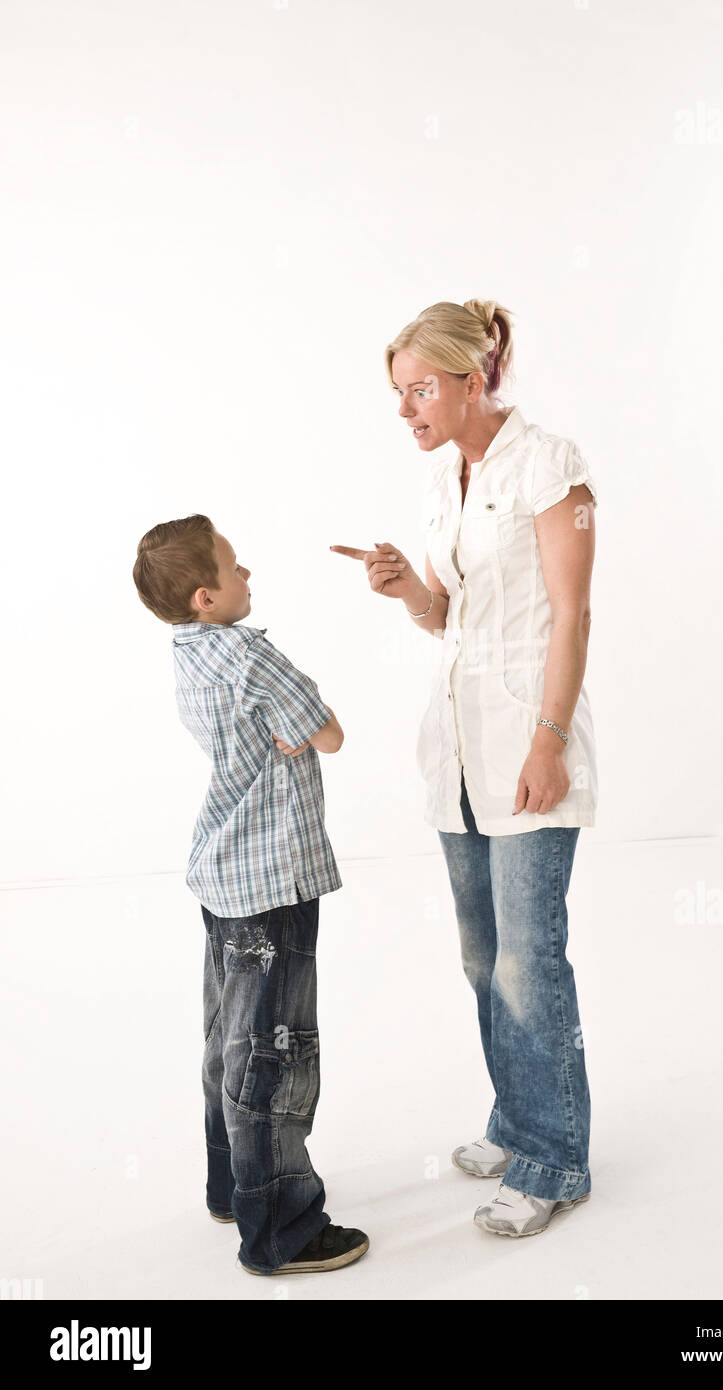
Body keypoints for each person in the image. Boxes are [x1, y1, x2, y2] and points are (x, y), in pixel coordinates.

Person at [329, 298, 599, 1238]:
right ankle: (518, 1122)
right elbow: (452, 616)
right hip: (456, 755)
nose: (407, 411)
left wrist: (550, 740)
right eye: (399, 396)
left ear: (471, 379)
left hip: (528, 747)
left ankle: (556, 1159)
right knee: (484, 958)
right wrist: (409, 587)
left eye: (420, 391)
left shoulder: (550, 464)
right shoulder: (448, 481)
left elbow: (572, 616)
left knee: (530, 964)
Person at [132, 517, 369, 1274]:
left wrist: (286, 727)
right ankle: (281, 1229)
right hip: (272, 883)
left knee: (228, 1041)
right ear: (206, 595)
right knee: (277, 1051)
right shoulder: (249, 655)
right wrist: (302, 726)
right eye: (236, 569)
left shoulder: (189, 651)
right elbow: (329, 733)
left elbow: (289, 727)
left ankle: (234, 1185)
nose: (249, 574)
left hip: (224, 875)